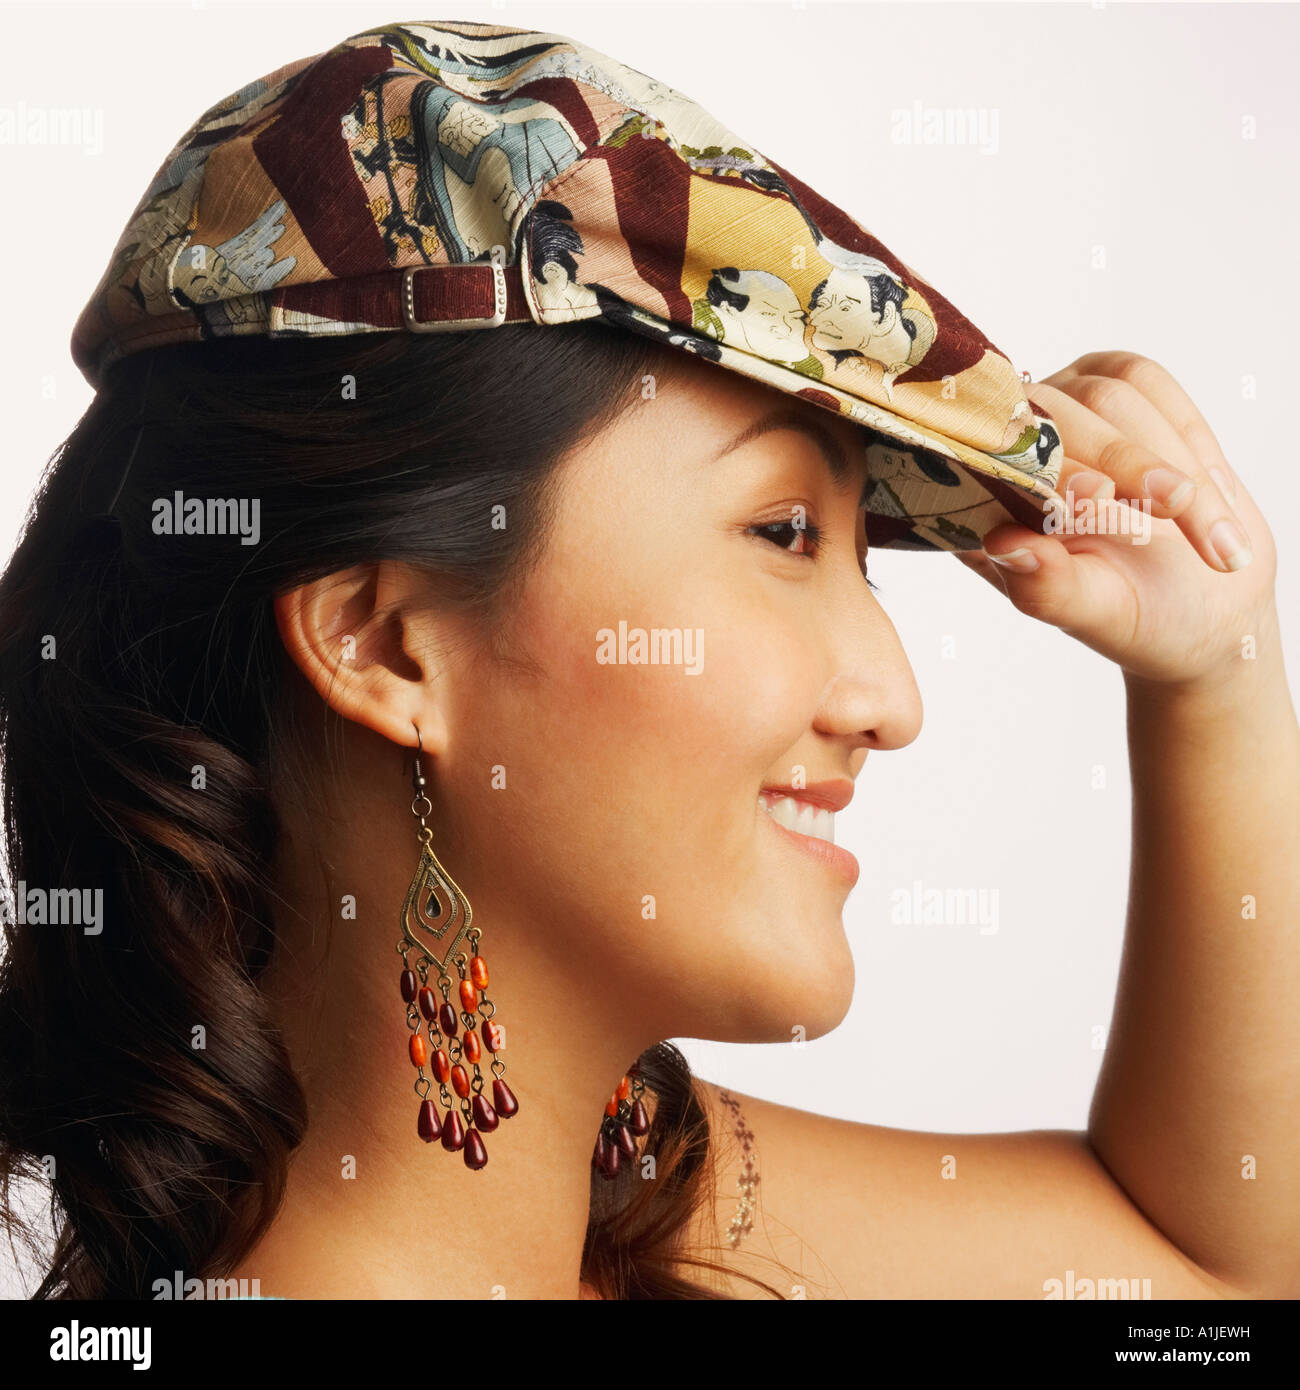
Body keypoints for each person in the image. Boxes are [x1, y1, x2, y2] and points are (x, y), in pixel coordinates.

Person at [0, 19, 1295, 1302]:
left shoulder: (622, 1197)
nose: (892, 701)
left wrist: (1215, 670)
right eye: (784, 531)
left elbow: (1210, 1267)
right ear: (387, 641)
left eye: (862, 552)